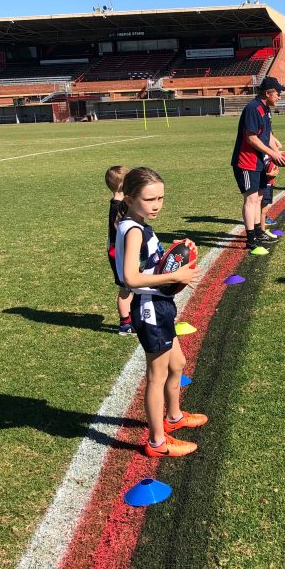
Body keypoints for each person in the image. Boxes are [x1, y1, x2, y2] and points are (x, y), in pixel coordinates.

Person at [116, 167, 206, 457]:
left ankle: (174, 417)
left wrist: (180, 251)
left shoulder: (142, 224)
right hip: (148, 308)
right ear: (130, 200)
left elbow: (154, 262)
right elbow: (130, 278)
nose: (157, 205)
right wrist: (174, 278)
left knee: (177, 363)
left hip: (160, 305)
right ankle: (157, 442)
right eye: (150, 199)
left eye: (161, 198)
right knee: (157, 376)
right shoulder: (131, 230)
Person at [231, 77, 285, 249]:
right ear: (267, 93)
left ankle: (258, 233)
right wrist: (272, 154)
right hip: (246, 161)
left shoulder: (265, 109)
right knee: (251, 199)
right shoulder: (253, 108)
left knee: (260, 197)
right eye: (277, 93)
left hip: (259, 161)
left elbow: (266, 135)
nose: (279, 96)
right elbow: (251, 137)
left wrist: (276, 150)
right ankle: (251, 239)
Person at [104, 165, 133, 335]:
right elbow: (119, 233)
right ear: (122, 185)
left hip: (122, 250)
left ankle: (132, 317)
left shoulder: (121, 203)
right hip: (119, 252)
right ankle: (125, 323)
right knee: (125, 288)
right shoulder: (118, 206)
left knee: (131, 287)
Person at [260, 159, 279, 239]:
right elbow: (257, 173)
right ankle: (261, 231)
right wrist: (270, 174)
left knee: (263, 210)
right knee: (263, 211)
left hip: (269, 184)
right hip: (266, 184)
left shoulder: (270, 156)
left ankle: (261, 230)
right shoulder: (264, 157)